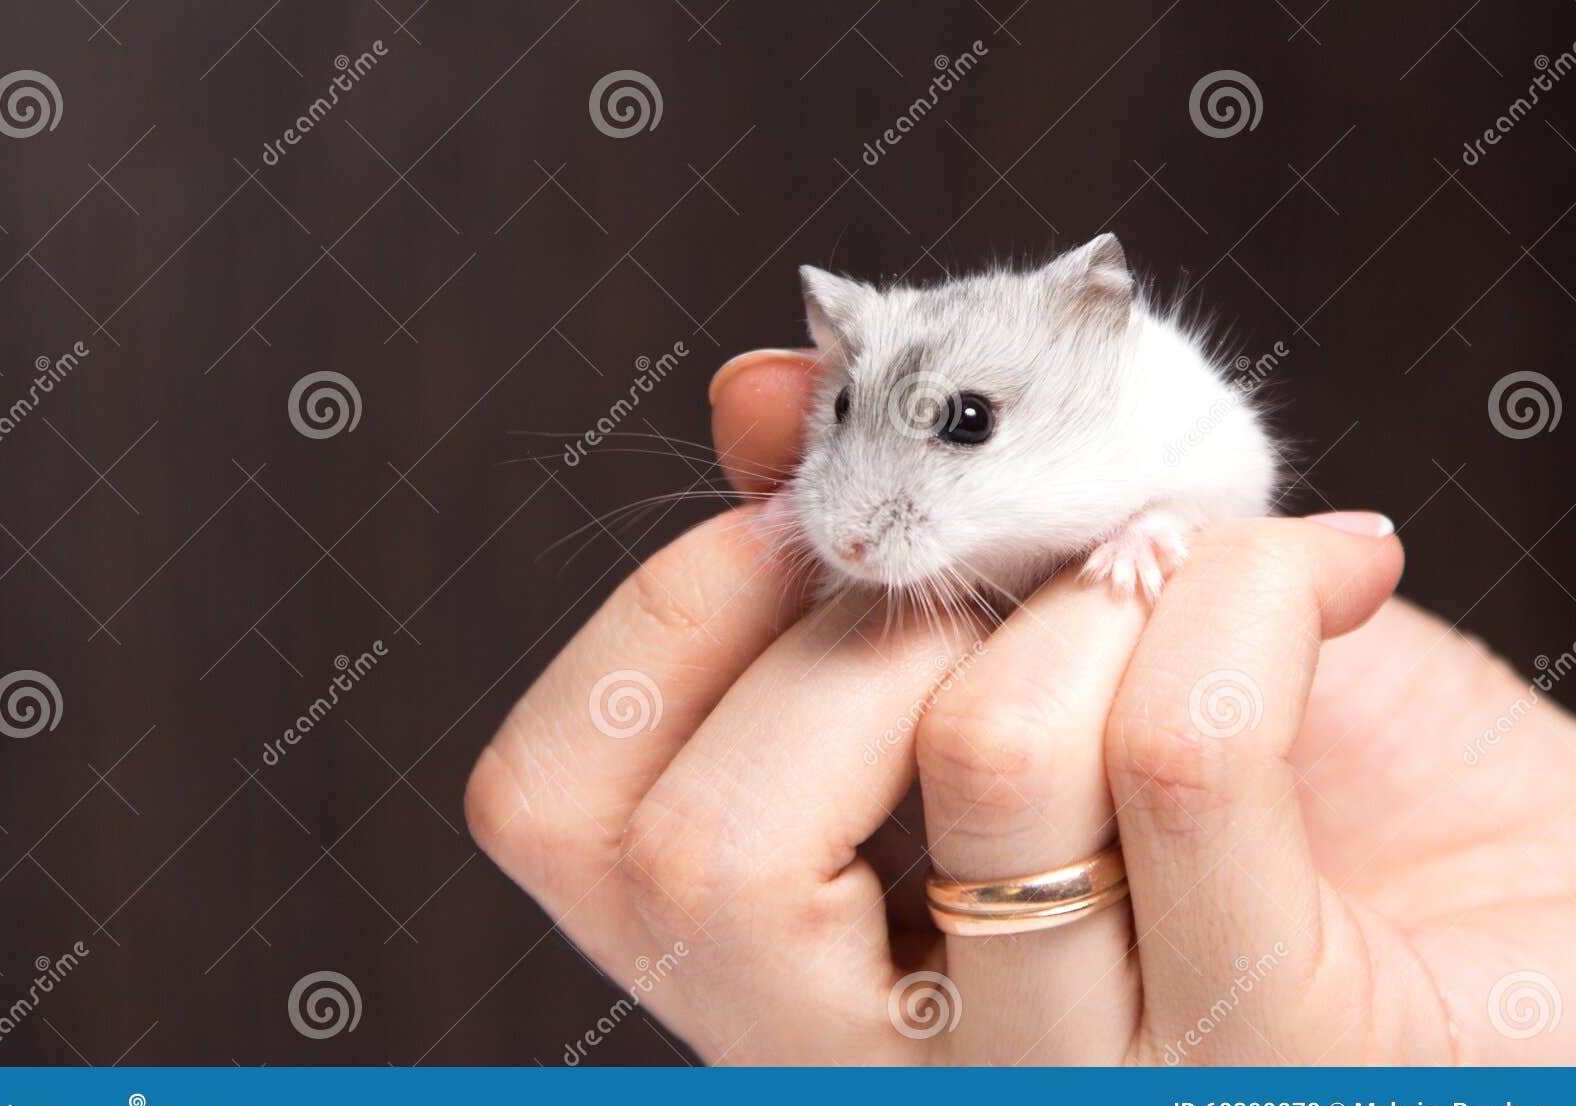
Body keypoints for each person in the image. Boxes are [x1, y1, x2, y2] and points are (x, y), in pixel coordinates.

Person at [465, 349, 1575, 1065]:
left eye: (960, 421)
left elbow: (1236, 469)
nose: (856, 519)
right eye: (841, 418)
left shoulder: (1149, 398)